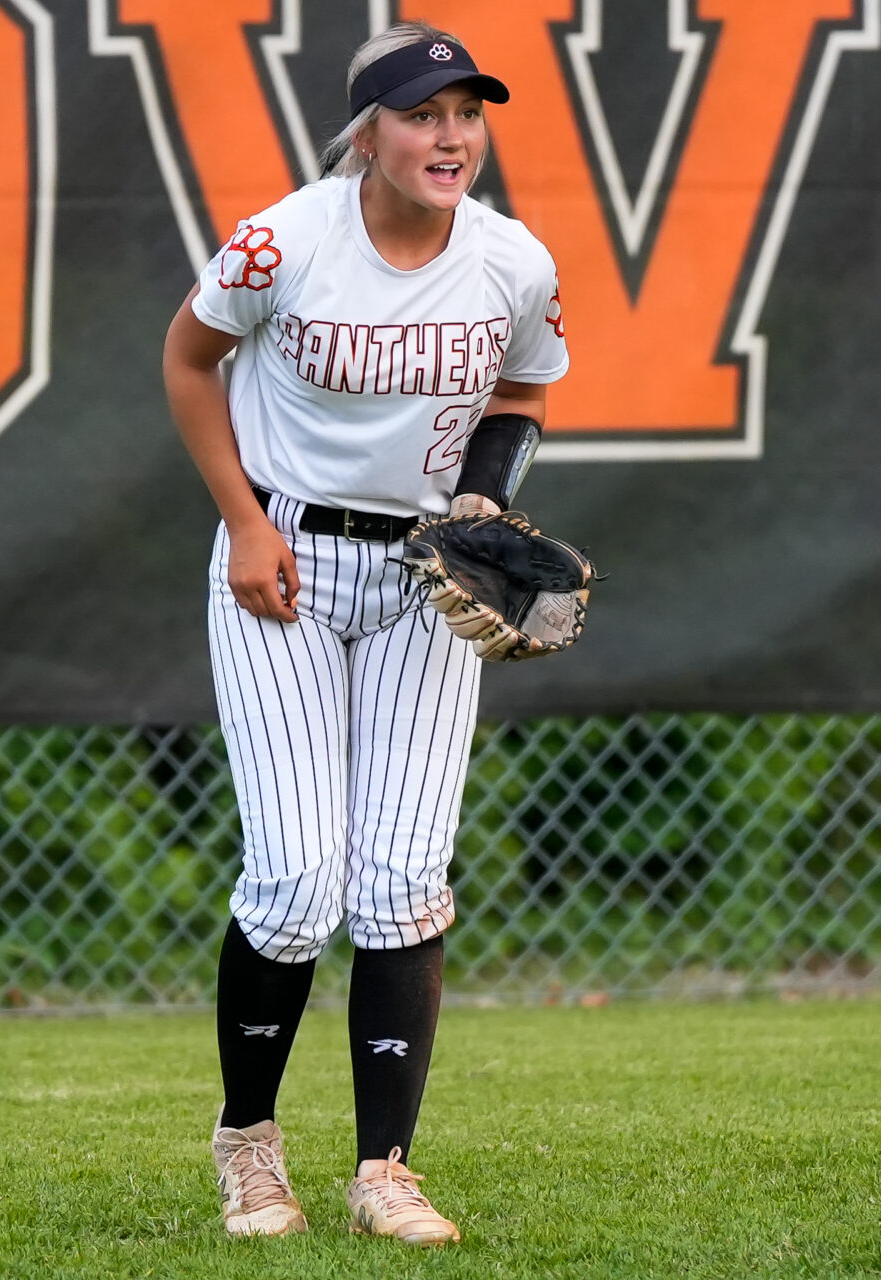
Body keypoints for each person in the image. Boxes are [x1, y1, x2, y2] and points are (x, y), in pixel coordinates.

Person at [160, 19, 568, 1247]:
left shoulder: (509, 259)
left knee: (399, 878)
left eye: (468, 114)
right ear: (369, 132)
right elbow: (189, 361)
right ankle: (249, 1144)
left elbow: (524, 385)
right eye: (422, 114)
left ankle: (384, 1166)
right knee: (293, 880)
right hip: (280, 559)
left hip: (423, 573)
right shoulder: (288, 238)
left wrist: (487, 503)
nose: (451, 136)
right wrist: (241, 522)